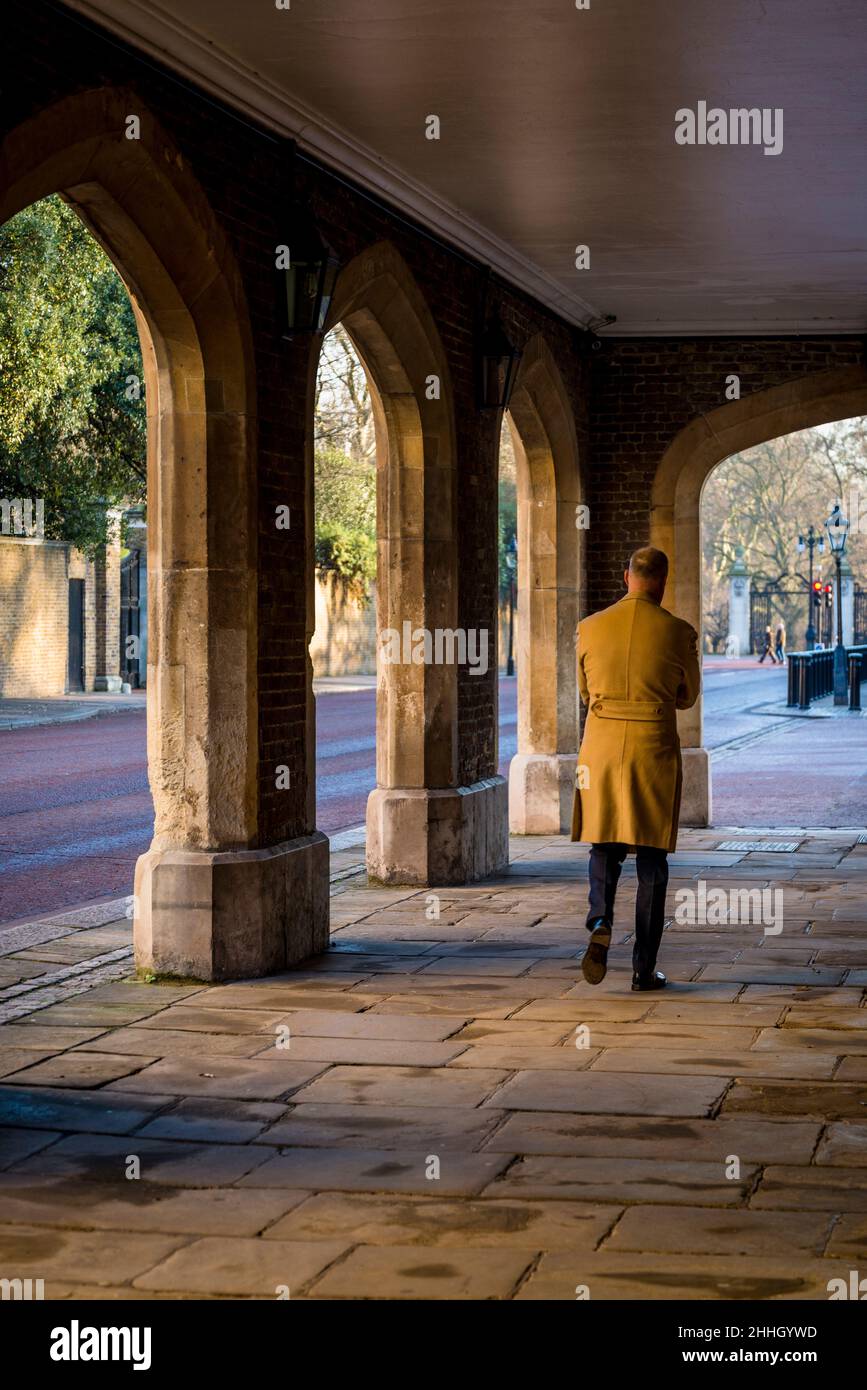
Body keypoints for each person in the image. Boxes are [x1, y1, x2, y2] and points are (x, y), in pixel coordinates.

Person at [572, 546, 700, 991]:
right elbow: (687, 697)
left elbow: (586, 693)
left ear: (626, 576)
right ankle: (644, 969)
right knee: (651, 859)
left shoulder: (589, 628)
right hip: (652, 749)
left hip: (602, 747)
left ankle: (601, 919)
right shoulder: (679, 632)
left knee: (604, 847)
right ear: (662, 581)